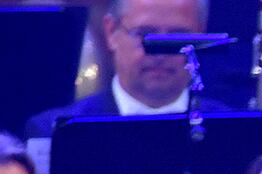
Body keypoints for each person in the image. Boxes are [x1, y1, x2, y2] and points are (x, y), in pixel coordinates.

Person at [25, 0, 225, 140]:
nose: (161, 53)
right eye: (145, 35)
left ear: (201, 35)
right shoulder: (54, 131)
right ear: (111, 31)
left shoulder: (230, 130)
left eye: (178, 35)